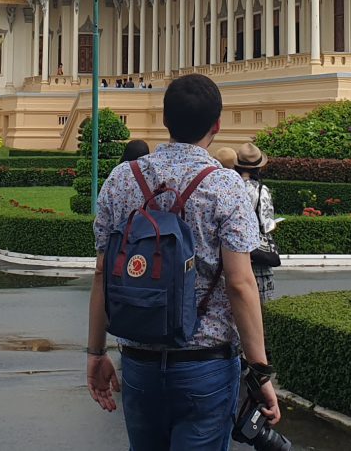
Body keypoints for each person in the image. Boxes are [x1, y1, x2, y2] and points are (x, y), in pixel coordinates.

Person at [85, 73, 278, 450]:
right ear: (217, 125)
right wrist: (260, 372)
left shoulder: (123, 180)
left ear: (165, 119)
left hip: (139, 359)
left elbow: (101, 276)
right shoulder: (225, 186)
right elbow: (240, 284)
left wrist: (95, 353)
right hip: (205, 364)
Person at [235, 144, 279, 302]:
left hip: (232, 252)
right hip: (257, 254)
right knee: (259, 308)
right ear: (258, 168)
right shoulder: (261, 190)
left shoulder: (229, 186)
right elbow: (268, 225)